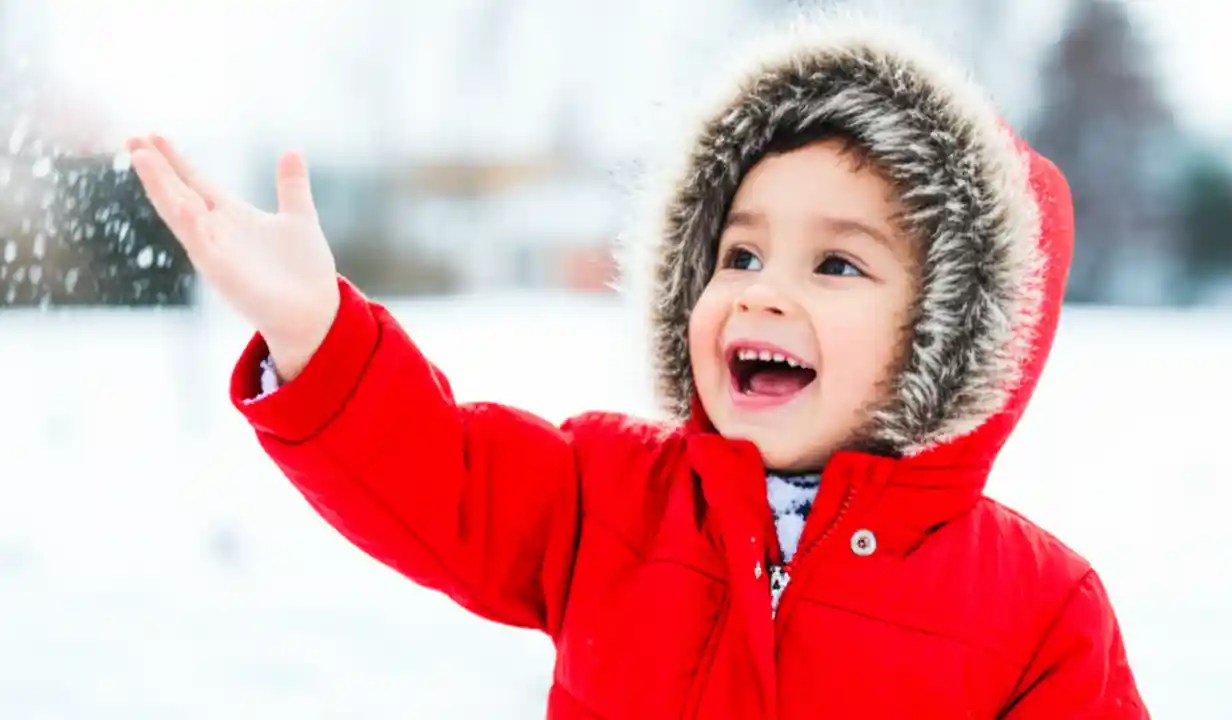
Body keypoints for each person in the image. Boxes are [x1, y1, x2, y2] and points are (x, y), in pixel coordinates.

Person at [127, 18, 1148, 719]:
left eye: (834, 263)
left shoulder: (1035, 608)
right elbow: (438, 473)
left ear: (950, 331)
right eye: (737, 253)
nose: (758, 290)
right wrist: (315, 332)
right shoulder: (608, 498)